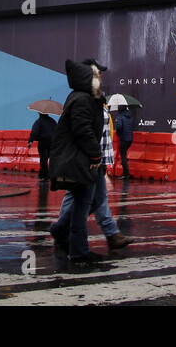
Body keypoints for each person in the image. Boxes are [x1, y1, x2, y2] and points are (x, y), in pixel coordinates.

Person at [54, 86, 132, 252]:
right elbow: (85, 133)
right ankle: (106, 236)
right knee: (93, 199)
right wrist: (94, 158)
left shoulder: (100, 109)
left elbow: (105, 135)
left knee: (87, 198)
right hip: (90, 161)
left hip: (97, 160)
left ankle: (62, 229)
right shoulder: (85, 106)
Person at [48, 59, 106, 265]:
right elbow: (82, 129)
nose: (100, 79)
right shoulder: (82, 99)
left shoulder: (86, 97)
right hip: (82, 159)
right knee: (83, 204)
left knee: (94, 200)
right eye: (97, 76)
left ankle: (60, 229)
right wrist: (95, 154)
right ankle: (79, 251)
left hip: (85, 158)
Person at [28, 111, 57, 180]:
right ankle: (44, 174)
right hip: (52, 143)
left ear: (40, 113)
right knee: (49, 159)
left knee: (43, 160)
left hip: (43, 143)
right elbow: (57, 130)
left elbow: (34, 132)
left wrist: (30, 141)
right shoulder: (52, 121)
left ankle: (44, 175)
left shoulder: (39, 121)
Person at [111, 104, 135, 179]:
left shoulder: (120, 116)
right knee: (124, 154)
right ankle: (126, 172)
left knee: (123, 156)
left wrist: (118, 134)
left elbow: (119, 127)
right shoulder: (130, 116)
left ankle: (126, 174)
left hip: (123, 138)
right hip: (130, 139)